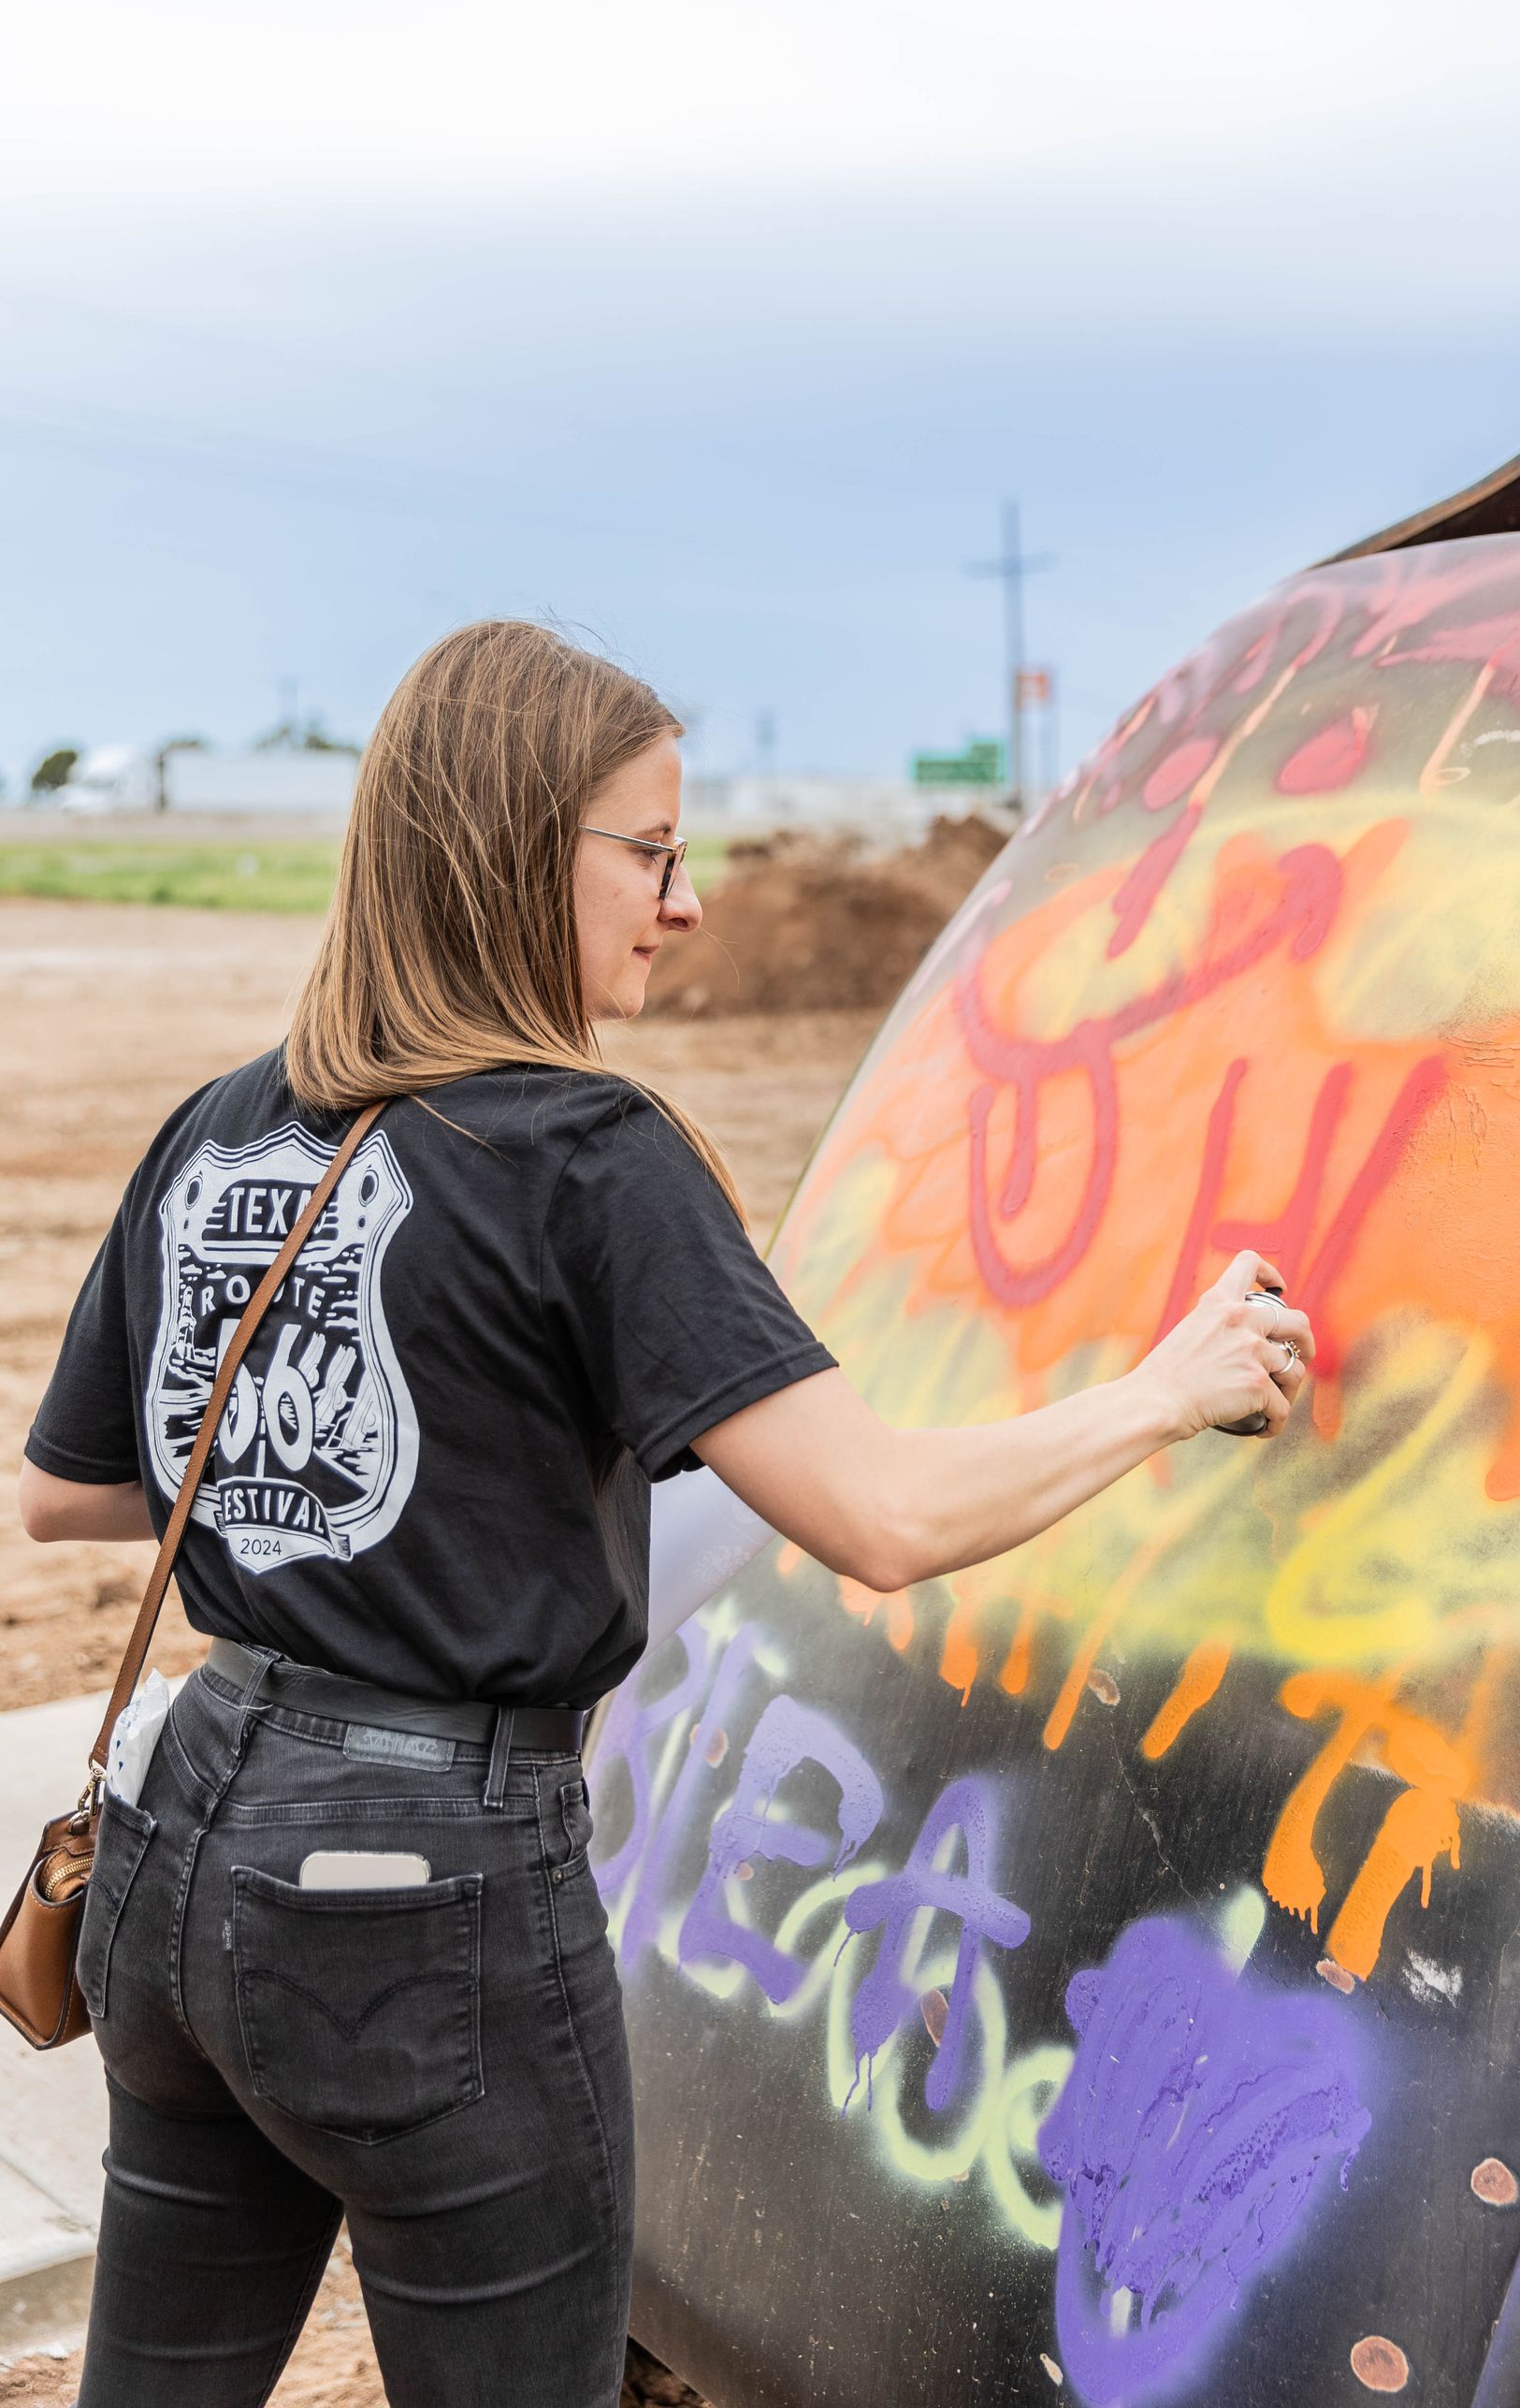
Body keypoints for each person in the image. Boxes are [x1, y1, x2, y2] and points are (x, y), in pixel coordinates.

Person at [17, 620, 1311, 2408]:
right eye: (654, 850)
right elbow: (881, 1517)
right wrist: (1170, 1389)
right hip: (423, 1892)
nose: (685, 904)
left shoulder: (222, 1127)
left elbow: (69, 1493)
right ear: (513, 847)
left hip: (177, 1845)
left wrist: (356, 1460)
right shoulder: (581, 1156)